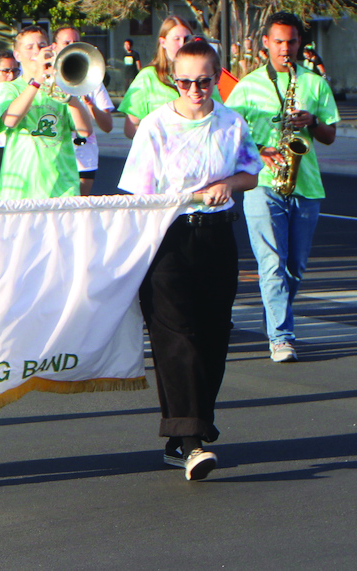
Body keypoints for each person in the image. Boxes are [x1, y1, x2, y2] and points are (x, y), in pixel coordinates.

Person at [119, 38, 261, 480]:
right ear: (172, 80)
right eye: (185, 82)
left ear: (218, 77)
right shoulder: (156, 126)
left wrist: (229, 185)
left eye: (204, 81)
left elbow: (252, 173)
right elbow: (137, 194)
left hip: (216, 236)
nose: (195, 90)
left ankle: (181, 438)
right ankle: (193, 441)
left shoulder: (231, 123)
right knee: (175, 336)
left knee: (214, 336)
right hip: (168, 238)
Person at [226, 12, 339, 363]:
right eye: (278, 41)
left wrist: (313, 121)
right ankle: (281, 336)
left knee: (295, 268)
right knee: (271, 263)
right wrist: (260, 150)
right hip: (263, 184)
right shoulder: (246, 86)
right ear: (266, 43)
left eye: (291, 42)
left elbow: (331, 136)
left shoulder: (314, 83)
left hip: (305, 185)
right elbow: (228, 138)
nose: (285, 49)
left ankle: (274, 318)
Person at [0, 26, 93, 200]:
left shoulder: (60, 86)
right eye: (29, 47)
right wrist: (38, 78)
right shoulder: (8, 88)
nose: (37, 51)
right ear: (17, 55)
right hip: (20, 189)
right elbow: (9, 121)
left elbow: (84, 131)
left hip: (62, 187)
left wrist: (69, 94)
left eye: (41, 45)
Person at [52, 26, 114, 196]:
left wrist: (91, 106)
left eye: (75, 42)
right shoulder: (46, 79)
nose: (72, 45)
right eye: (66, 42)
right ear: (54, 47)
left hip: (83, 156)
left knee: (77, 209)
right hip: (52, 156)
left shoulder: (91, 78)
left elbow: (108, 126)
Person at [118, 16, 200, 139]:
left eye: (186, 39)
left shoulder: (202, 77)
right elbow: (131, 129)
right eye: (176, 39)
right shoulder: (148, 76)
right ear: (163, 42)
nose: (182, 44)